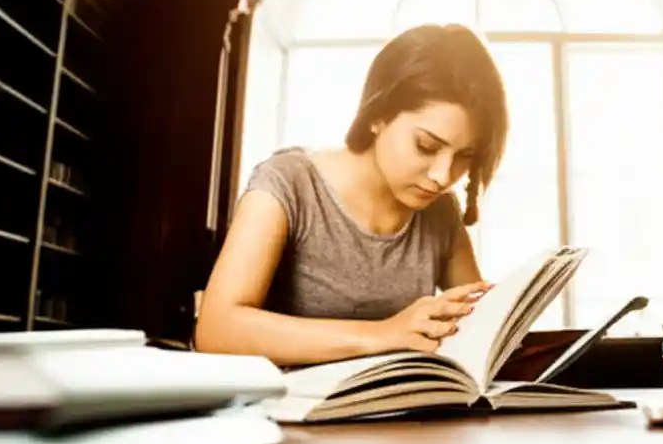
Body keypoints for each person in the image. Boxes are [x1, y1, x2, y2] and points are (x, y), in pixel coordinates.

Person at [194, 23, 508, 366]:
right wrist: (384, 334)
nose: (442, 176)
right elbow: (216, 329)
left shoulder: (440, 212)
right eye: (426, 146)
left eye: (465, 156)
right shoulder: (289, 182)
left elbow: (479, 335)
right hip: (283, 414)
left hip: (396, 413)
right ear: (377, 116)